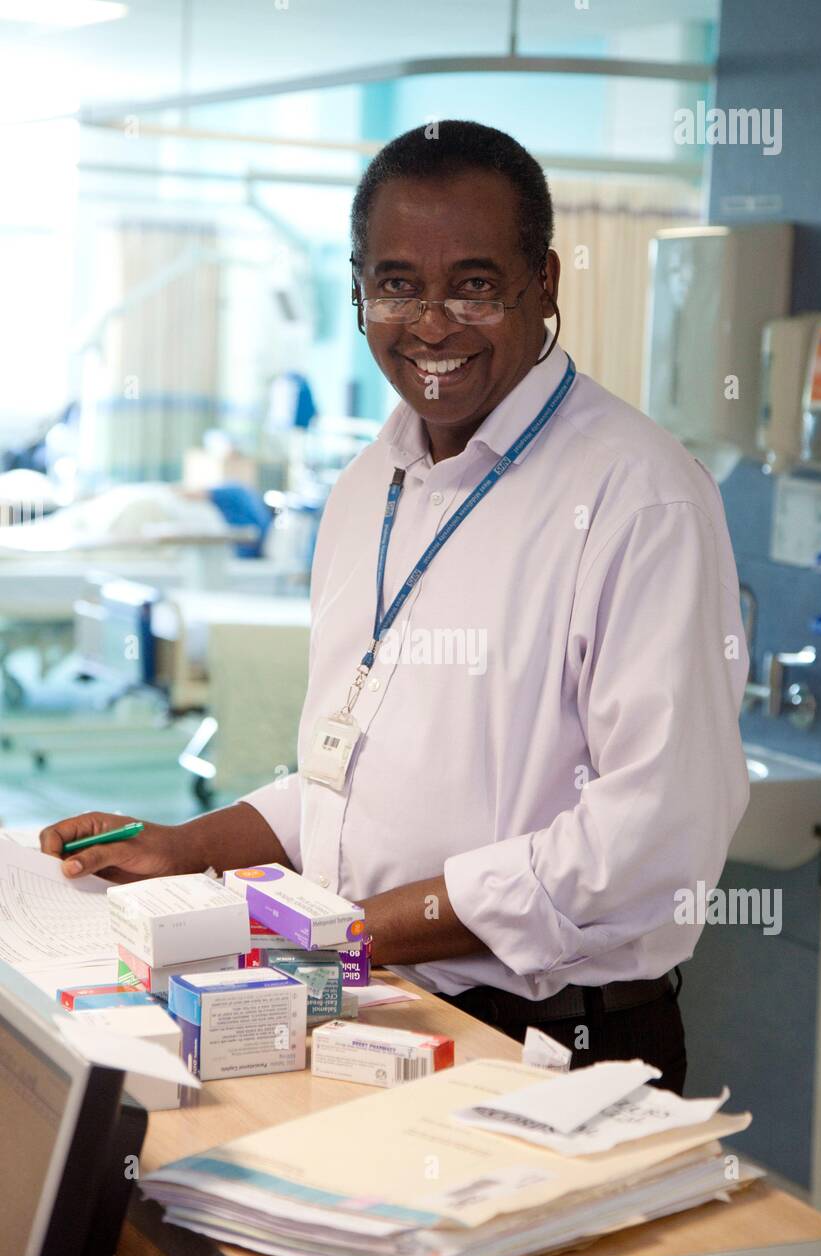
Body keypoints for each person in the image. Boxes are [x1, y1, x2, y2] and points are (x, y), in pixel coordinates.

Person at [41, 121, 749, 1093]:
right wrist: (183, 846)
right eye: (396, 283)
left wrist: (358, 927)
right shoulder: (369, 483)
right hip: (377, 1005)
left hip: (549, 1044)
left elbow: (649, 834)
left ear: (543, 282)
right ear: (358, 288)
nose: (429, 324)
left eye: (473, 282)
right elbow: (350, 776)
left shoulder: (636, 497)